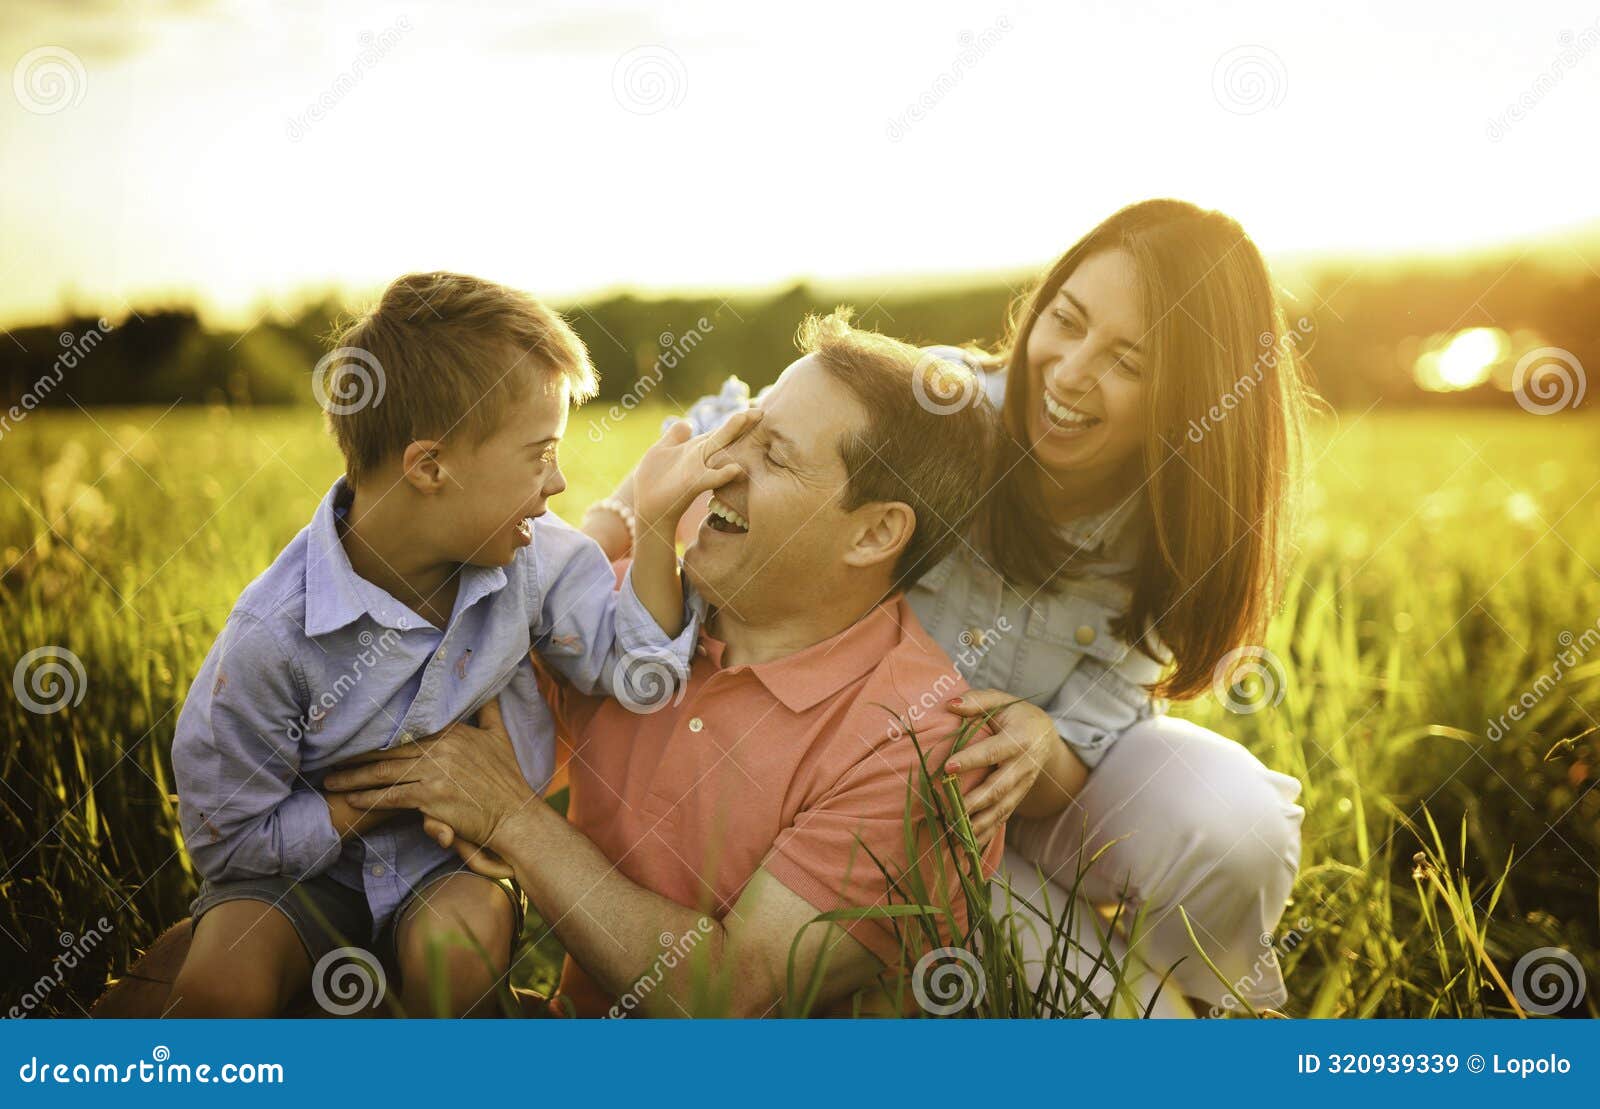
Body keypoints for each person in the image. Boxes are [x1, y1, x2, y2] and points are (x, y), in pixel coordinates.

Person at [590, 200, 1314, 1015]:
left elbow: (1089, 750)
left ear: (1193, 398)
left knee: (1233, 820)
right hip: (887, 809)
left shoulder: (1177, 528)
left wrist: (1042, 749)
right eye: (1066, 322)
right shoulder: (941, 405)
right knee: (1132, 1023)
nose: (1071, 371)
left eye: (1128, 362)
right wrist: (604, 532)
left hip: (1021, 791)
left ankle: (1214, 997)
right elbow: (745, 431)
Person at [325, 312, 1010, 1016]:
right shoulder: (629, 611)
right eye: (740, 429)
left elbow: (733, 995)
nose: (721, 462)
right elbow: (433, 731)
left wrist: (513, 818)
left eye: (773, 456)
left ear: (875, 532)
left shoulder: (919, 741)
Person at [166, 272, 743, 1017]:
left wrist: (657, 524)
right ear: (430, 466)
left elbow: (634, 668)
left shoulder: (532, 561)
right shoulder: (273, 638)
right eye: (539, 454)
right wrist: (354, 813)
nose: (559, 481)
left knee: (456, 953)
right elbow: (224, 837)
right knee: (220, 980)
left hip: (449, 866)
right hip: (294, 880)